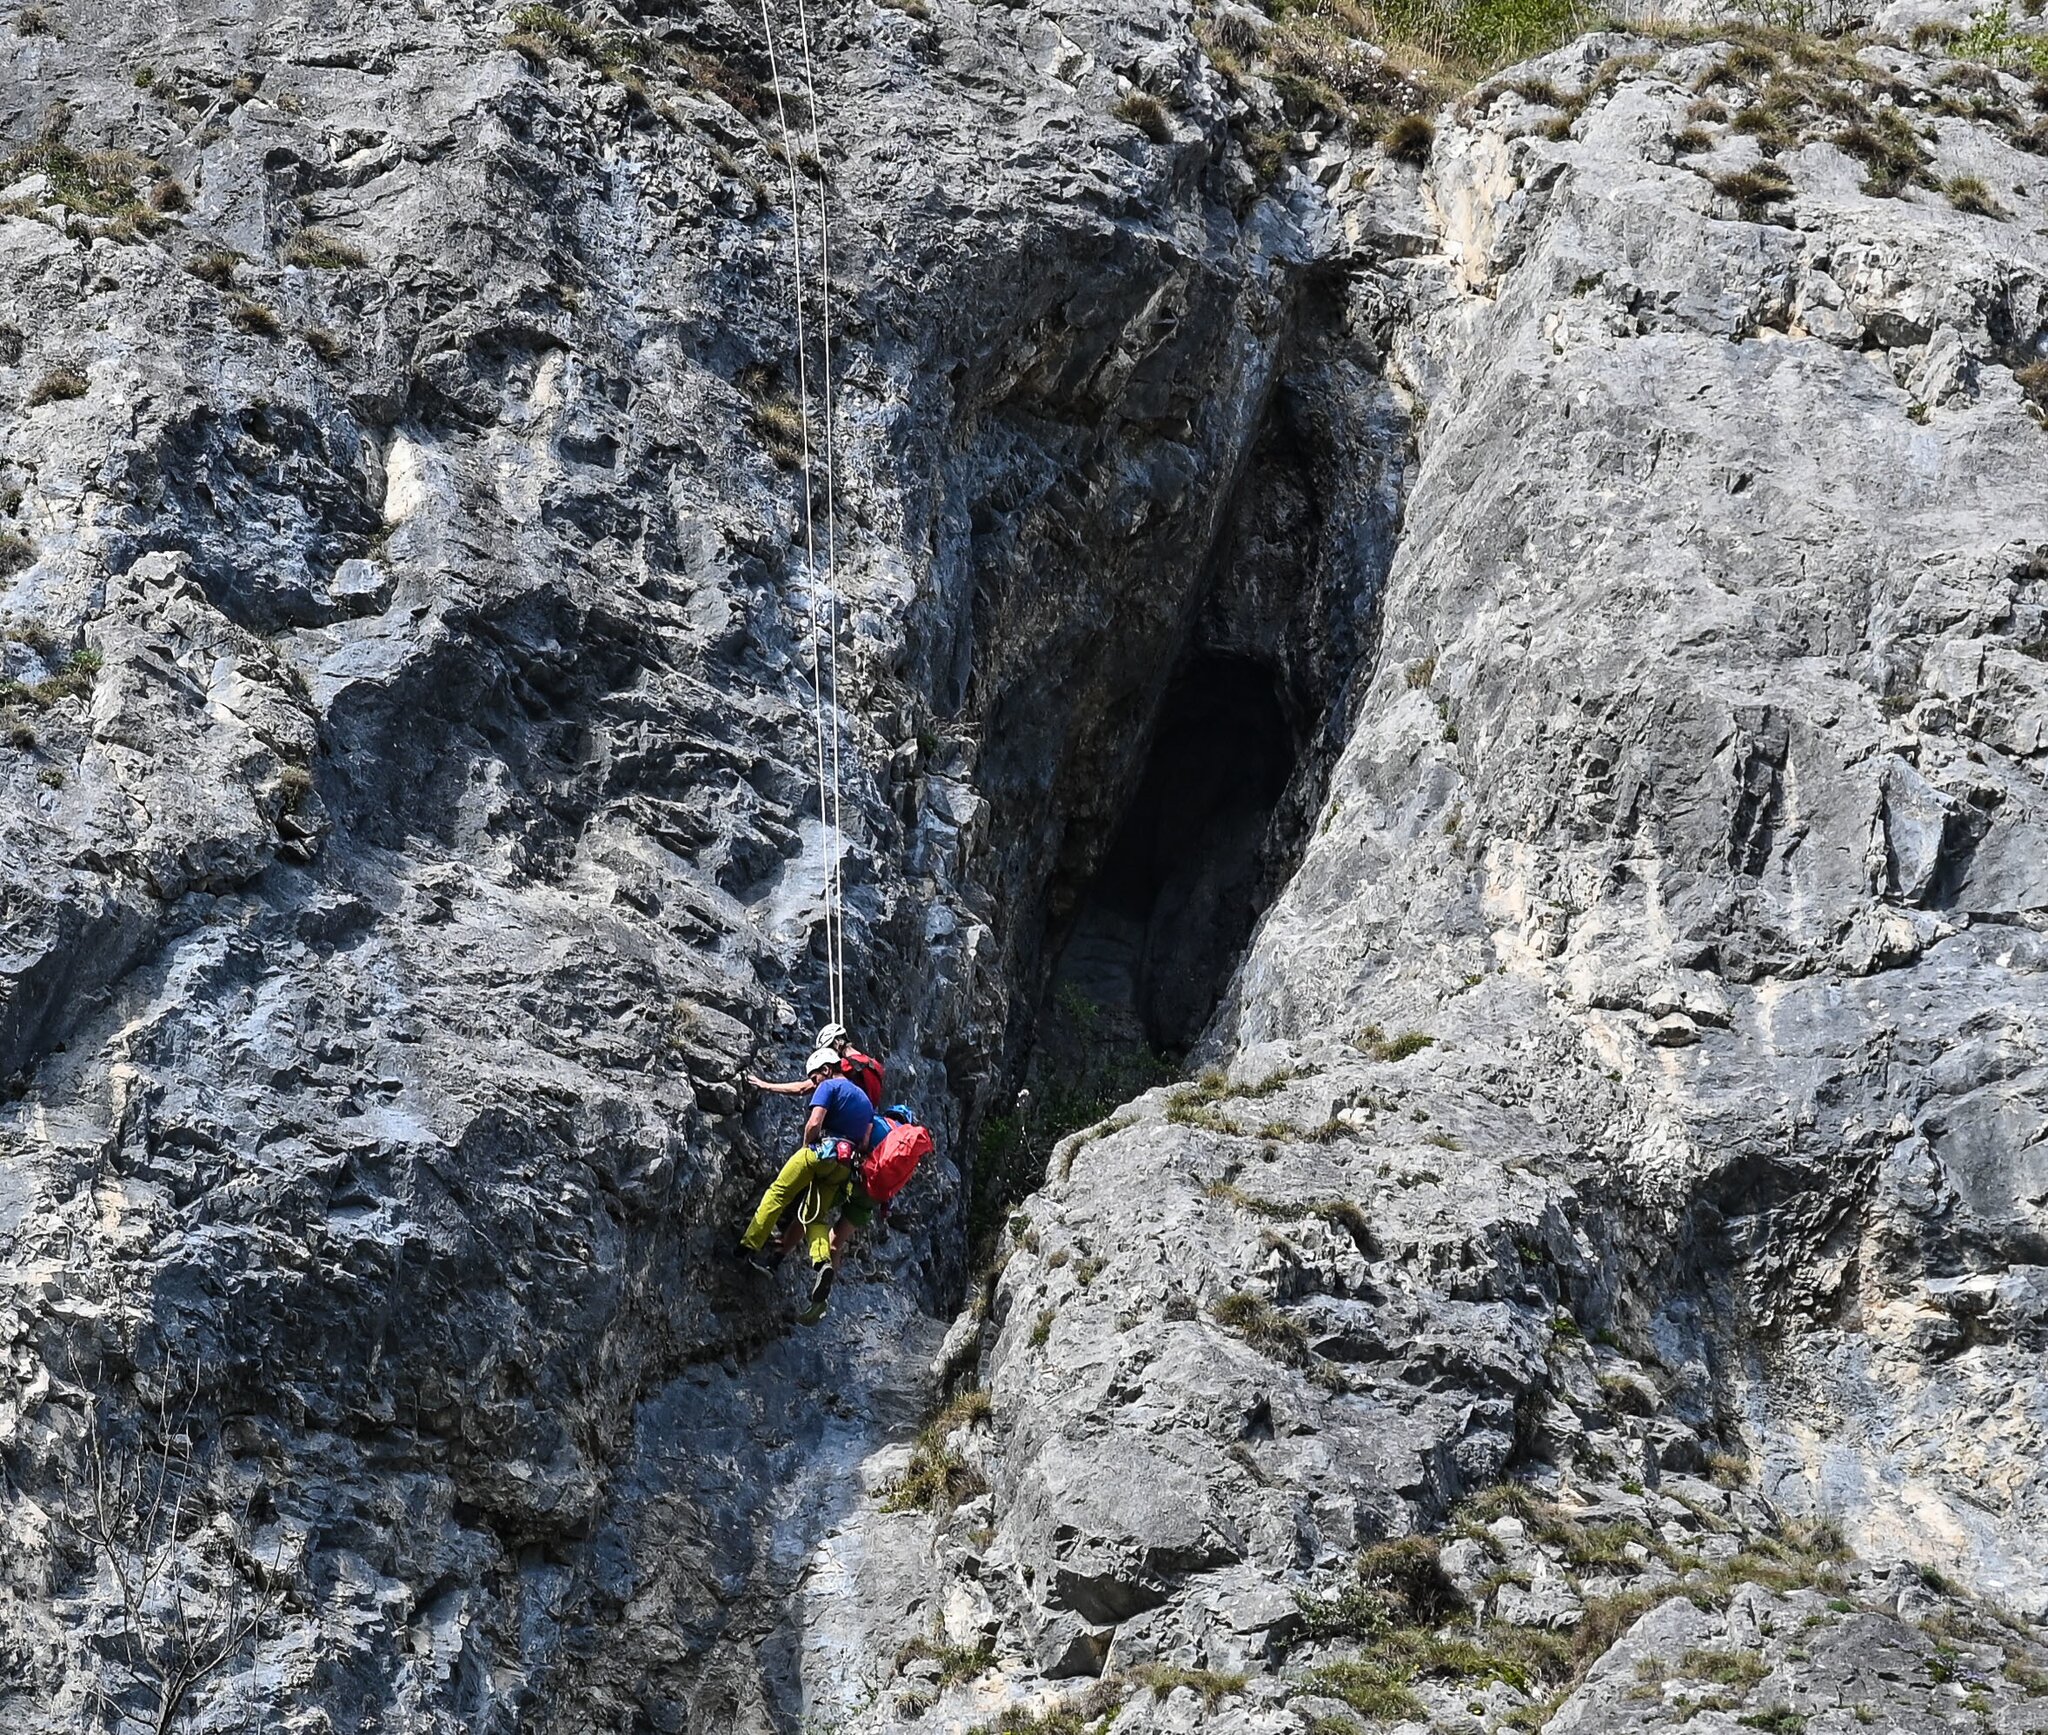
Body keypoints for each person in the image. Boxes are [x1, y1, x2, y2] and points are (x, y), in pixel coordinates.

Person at [737, 1047, 880, 1319]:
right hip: (844, 1165)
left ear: (825, 1070)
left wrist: (807, 1148)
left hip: (818, 1154)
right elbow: (863, 1142)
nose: (814, 1083)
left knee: (778, 1193)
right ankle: (821, 1262)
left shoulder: (829, 1087)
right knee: (814, 1216)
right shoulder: (864, 1100)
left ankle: (747, 1245)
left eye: (814, 1077)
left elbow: (814, 1122)